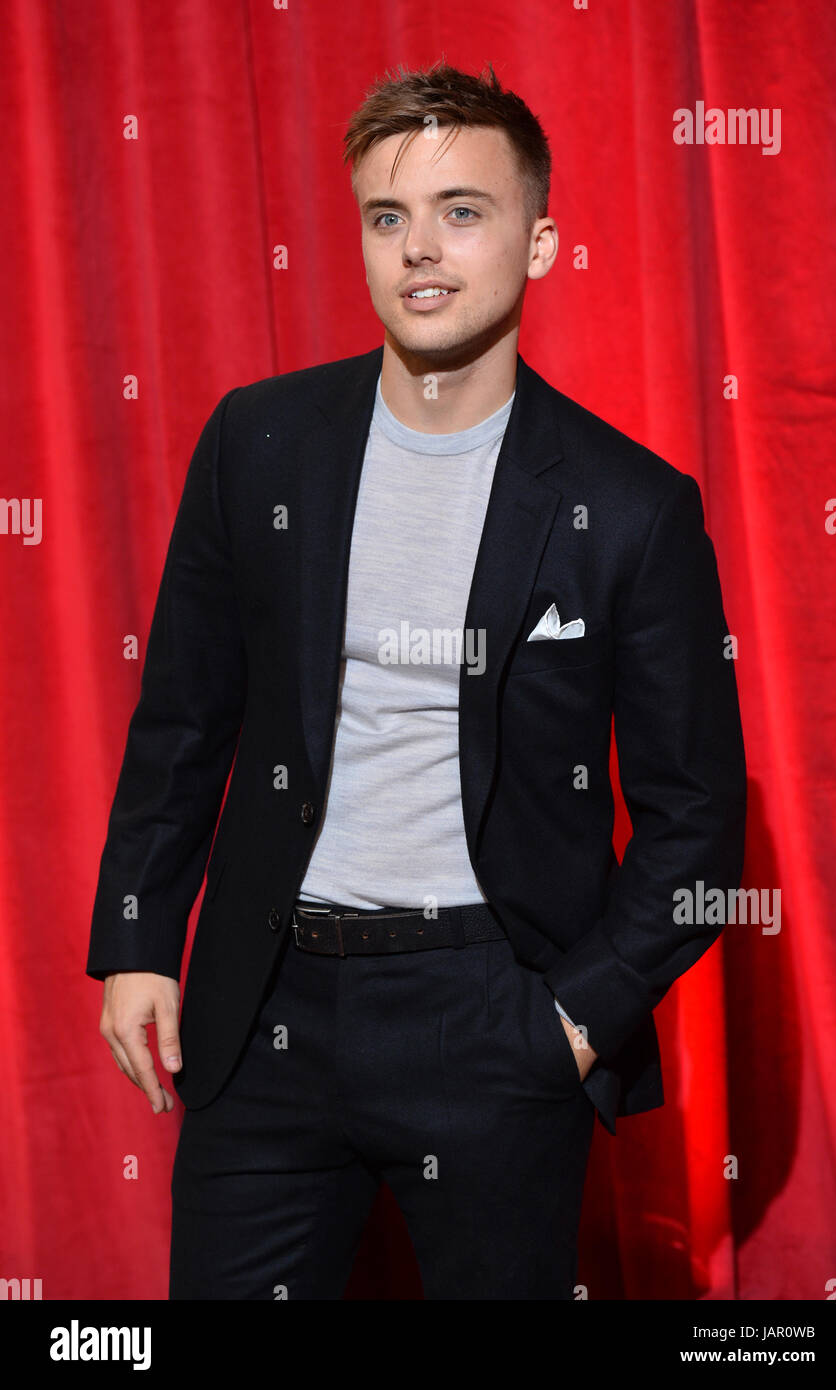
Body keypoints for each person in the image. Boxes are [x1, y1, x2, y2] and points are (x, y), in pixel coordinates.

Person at [87, 60, 747, 1300]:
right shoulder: (258, 440)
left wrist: (573, 1019)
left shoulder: (631, 507)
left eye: (463, 210)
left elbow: (698, 824)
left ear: (540, 242)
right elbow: (183, 713)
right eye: (389, 218)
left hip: (491, 1014)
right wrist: (136, 938)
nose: (421, 249)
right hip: (263, 1007)